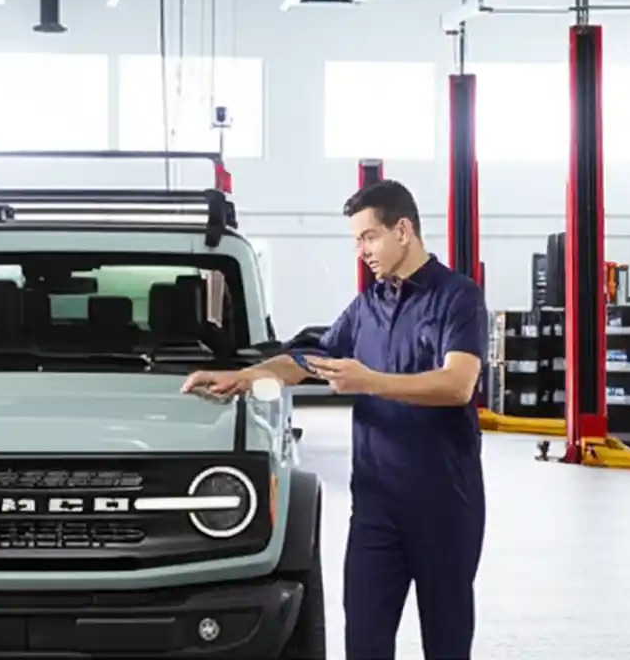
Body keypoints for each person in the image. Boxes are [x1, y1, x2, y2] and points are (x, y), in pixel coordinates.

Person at [181, 180, 488, 660]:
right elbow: (308, 361)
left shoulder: (457, 298)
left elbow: (458, 385)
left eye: (368, 237)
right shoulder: (367, 307)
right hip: (376, 508)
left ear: (402, 230)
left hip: (444, 505)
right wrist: (241, 377)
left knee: (446, 645)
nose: (361, 251)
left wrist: (370, 381)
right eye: (357, 240)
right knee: (364, 641)